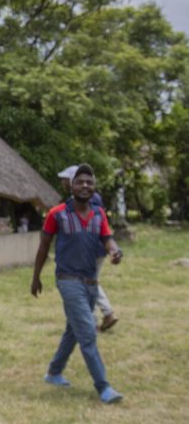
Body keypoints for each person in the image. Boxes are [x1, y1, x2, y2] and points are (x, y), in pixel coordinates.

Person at [32, 163, 124, 404]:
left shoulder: (98, 214)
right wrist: (36, 277)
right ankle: (103, 386)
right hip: (68, 280)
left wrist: (115, 251)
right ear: (71, 186)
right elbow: (43, 247)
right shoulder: (57, 213)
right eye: (80, 182)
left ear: (94, 188)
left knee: (73, 330)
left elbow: (108, 239)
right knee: (87, 331)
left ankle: (54, 372)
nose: (85, 185)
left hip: (91, 281)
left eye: (89, 182)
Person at [57, 165, 119, 332]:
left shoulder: (90, 198)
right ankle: (93, 318)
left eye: (65, 180)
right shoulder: (77, 198)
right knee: (86, 282)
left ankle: (104, 314)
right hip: (89, 249)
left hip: (93, 249)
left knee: (88, 282)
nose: (62, 183)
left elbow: (98, 225)